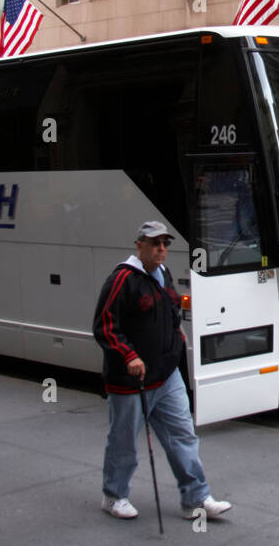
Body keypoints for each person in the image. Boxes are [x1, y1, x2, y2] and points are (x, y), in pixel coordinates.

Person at [93, 221, 230, 523]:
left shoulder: (163, 274)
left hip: (166, 376)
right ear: (139, 245)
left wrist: (176, 340)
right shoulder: (121, 279)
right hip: (131, 382)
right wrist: (129, 356)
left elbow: (171, 313)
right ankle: (114, 496)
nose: (161, 249)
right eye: (155, 243)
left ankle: (196, 498)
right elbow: (104, 326)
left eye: (165, 244)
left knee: (183, 435)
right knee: (124, 440)